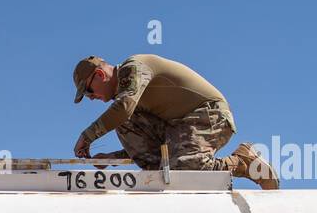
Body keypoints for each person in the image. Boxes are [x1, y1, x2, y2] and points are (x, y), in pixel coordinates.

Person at [73, 54, 278, 189]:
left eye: (89, 91)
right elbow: (153, 146)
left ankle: (243, 163)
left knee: (182, 171)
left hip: (209, 115)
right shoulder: (130, 103)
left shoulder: (133, 68)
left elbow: (124, 107)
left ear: (100, 74)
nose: (91, 98)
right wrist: (111, 158)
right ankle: (174, 180)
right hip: (179, 126)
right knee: (126, 126)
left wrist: (87, 136)